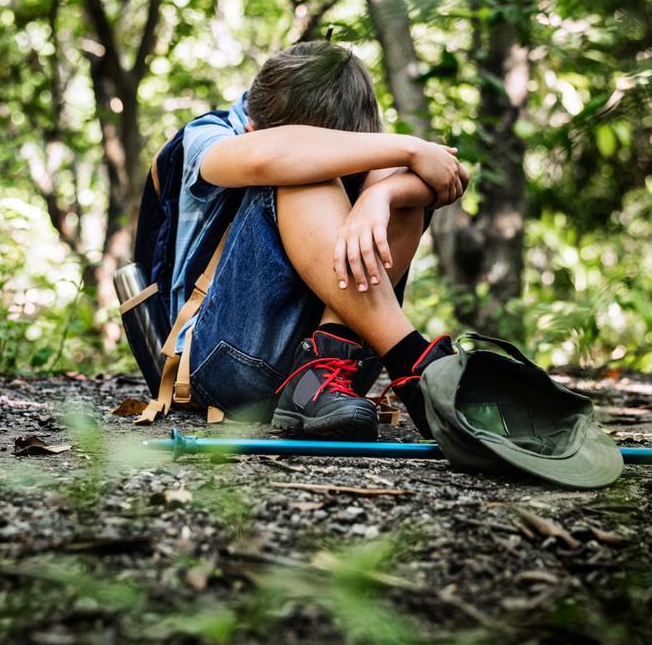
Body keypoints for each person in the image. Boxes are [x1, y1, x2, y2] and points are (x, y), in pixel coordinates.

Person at [172, 40, 469, 441]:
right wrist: (412, 147)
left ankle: (326, 358)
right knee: (301, 171)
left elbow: (448, 180)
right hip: (229, 364)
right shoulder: (209, 133)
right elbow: (265, 158)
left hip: (339, 382)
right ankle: (412, 360)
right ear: (250, 129)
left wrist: (380, 195)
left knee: (392, 177)